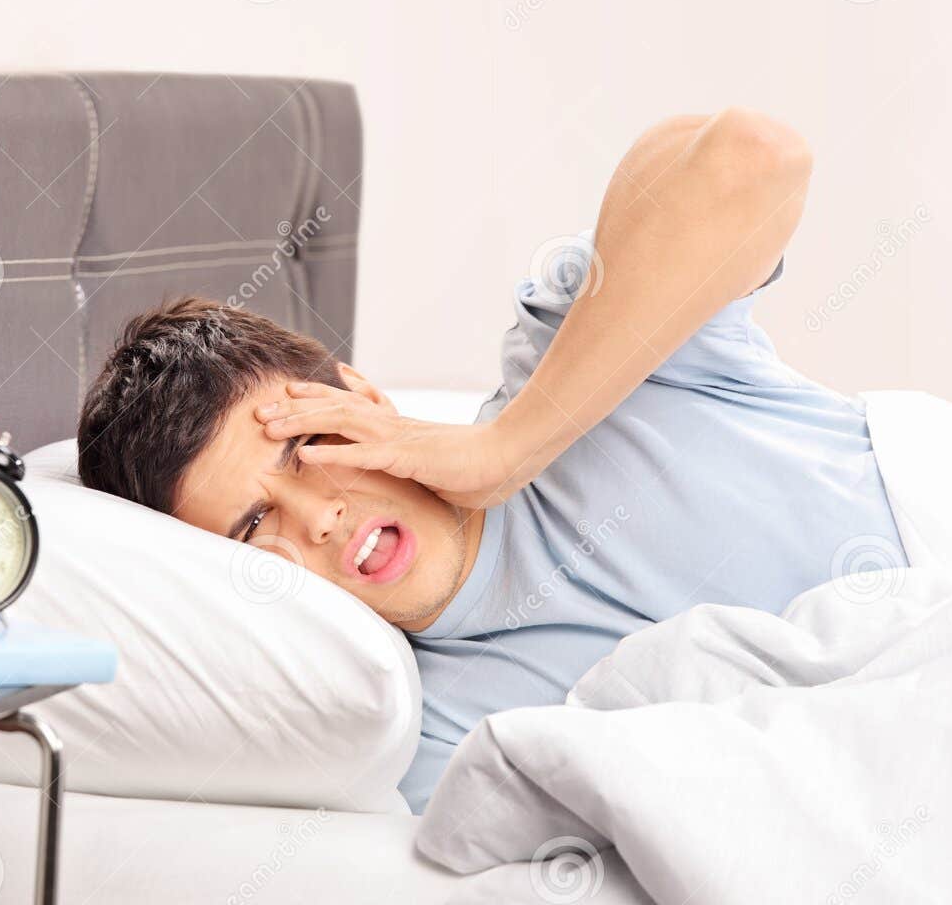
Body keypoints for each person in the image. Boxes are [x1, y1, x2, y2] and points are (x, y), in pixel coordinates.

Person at [77, 108, 906, 810]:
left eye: (305, 449)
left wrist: (505, 451)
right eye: (255, 526)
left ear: (364, 397)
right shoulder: (436, 738)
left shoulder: (569, 358)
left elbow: (753, 156)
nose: (320, 515)